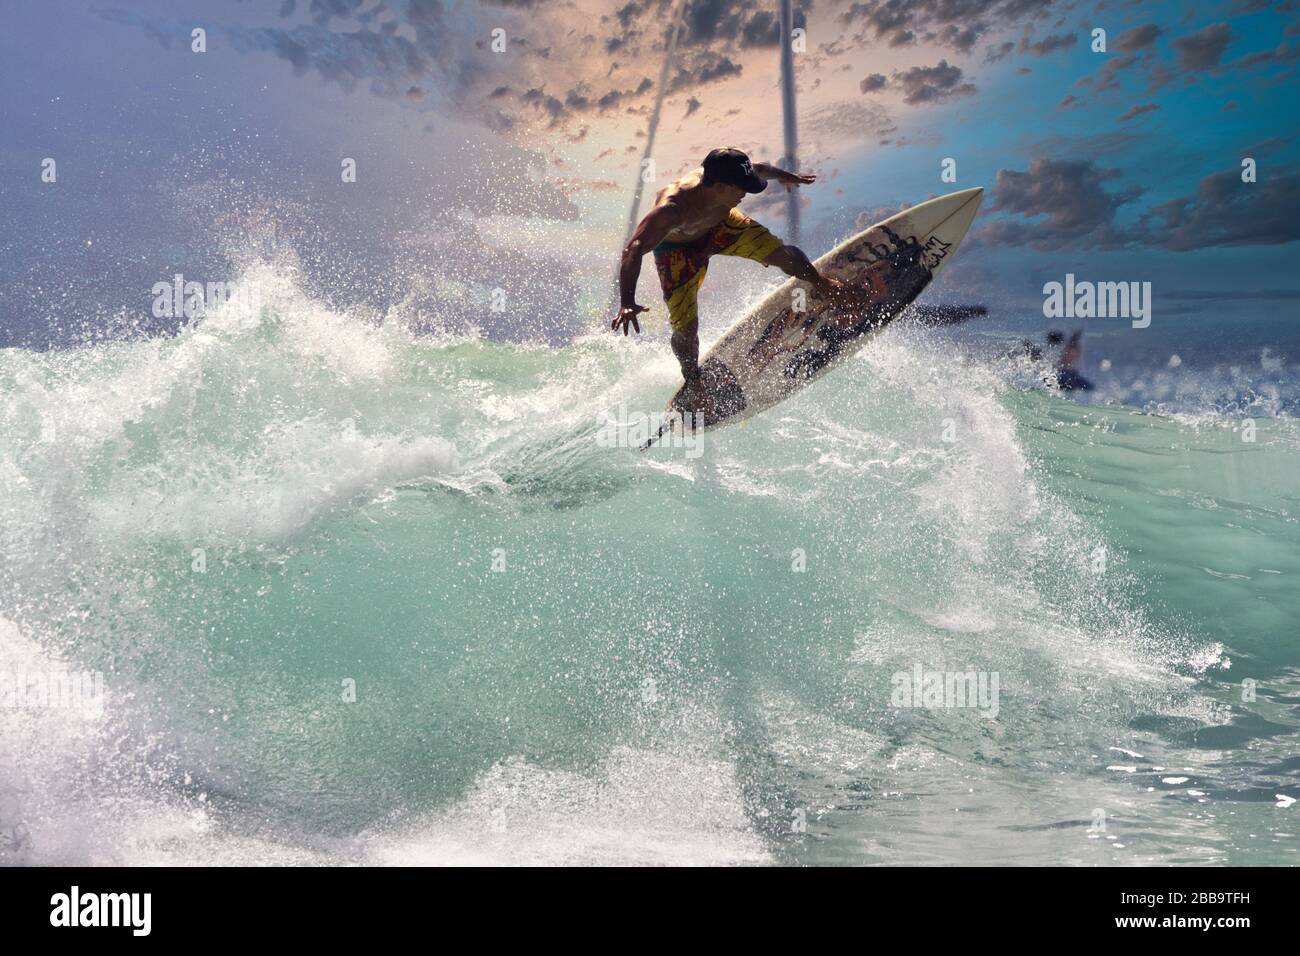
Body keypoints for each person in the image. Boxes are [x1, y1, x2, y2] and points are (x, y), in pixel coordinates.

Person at [613, 148, 861, 412]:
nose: (745, 194)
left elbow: (761, 169)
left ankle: (823, 285)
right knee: (686, 329)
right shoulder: (672, 210)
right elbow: (634, 247)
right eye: (741, 189)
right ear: (720, 186)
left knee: (783, 255)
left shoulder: (725, 180)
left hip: (721, 227)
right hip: (678, 253)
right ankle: (694, 382)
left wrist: (787, 176)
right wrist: (627, 301)